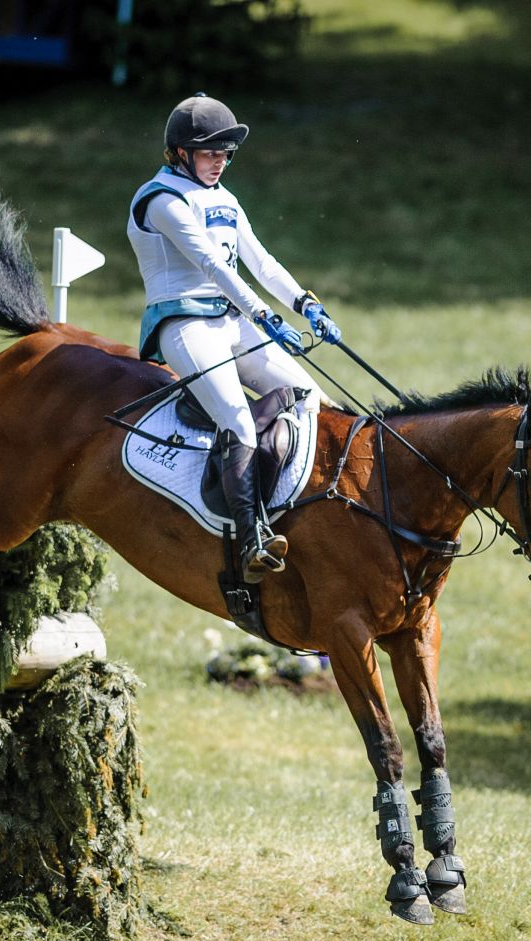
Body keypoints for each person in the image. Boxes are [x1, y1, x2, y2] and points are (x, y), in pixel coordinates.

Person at [127, 93, 343, 583]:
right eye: (209, 153)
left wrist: (307, 304)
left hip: (233, 322)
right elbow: (210, 263)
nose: (219, 162)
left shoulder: (225, 198)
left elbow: (261, 262)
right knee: (239, 422)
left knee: (313, 398)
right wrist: (266, 316)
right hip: (185, 326)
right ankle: (252, 540)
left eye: (225, 154)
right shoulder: (161, 199)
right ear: (179, 152)